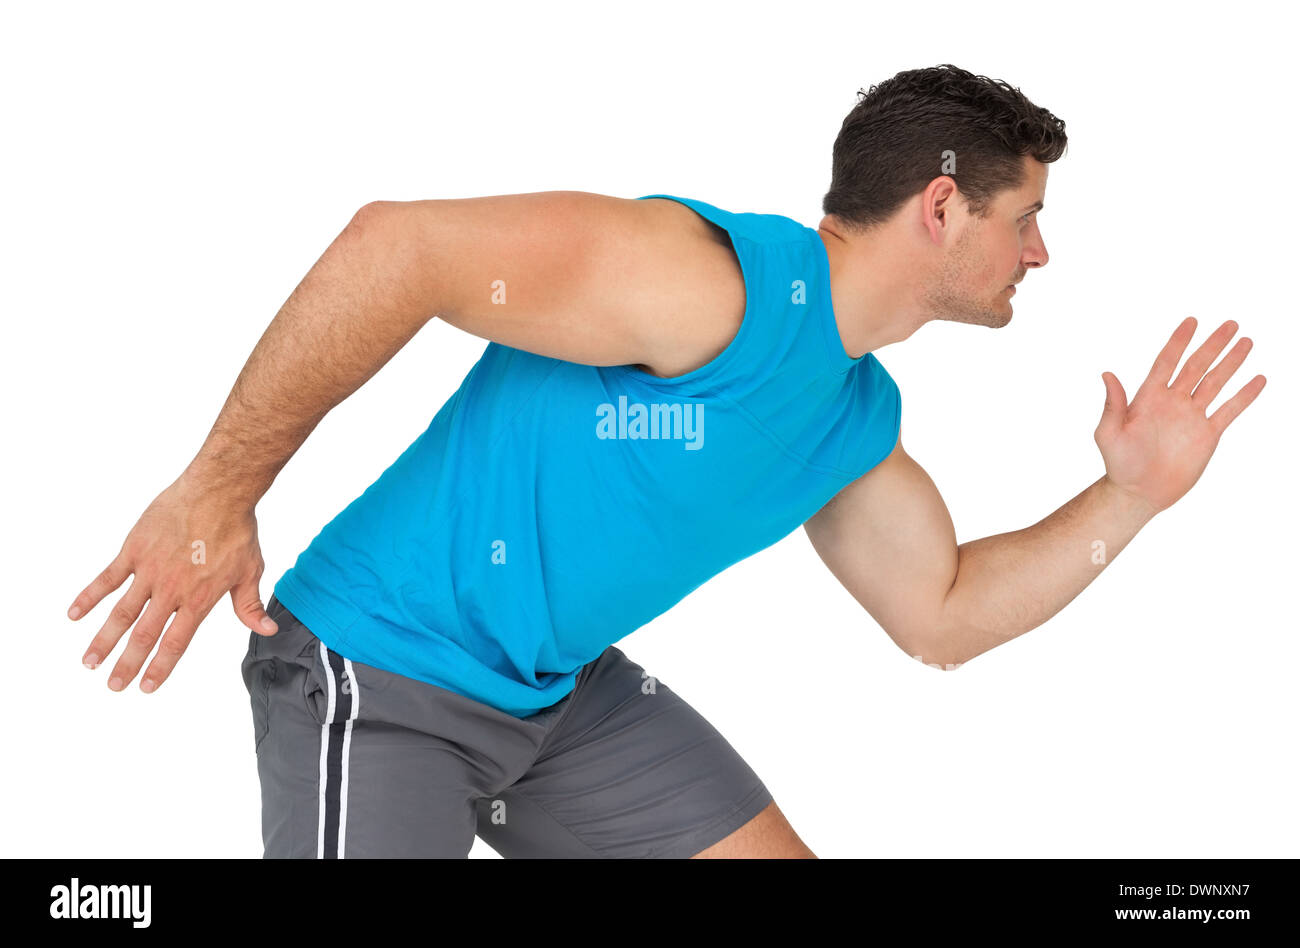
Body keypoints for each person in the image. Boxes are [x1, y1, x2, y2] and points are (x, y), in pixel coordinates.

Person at [65, 64, 1266, 858]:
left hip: (557, 698)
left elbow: (939, 613)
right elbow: (402, 248)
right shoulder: (715, 282)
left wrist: (1132, 499)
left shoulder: (849, 415)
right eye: (1025, 217)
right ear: (942, 208)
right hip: (380, 669)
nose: (1039, 253)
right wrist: (217, 490)